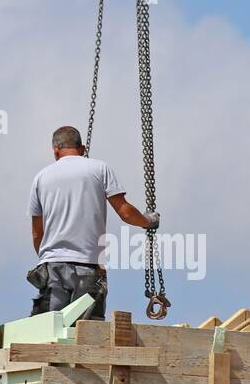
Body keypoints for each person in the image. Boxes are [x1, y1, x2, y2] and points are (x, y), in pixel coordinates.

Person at [28, 125, 159, 318]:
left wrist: (50, 257)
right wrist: (148, 222)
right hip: (88, 266)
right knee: (86, 335)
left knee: (48, 331)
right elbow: (126, 213)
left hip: (52, 267)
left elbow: (37, 234)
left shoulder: (41, 178)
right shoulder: (99, 168)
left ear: (55, 149)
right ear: (82, 149)